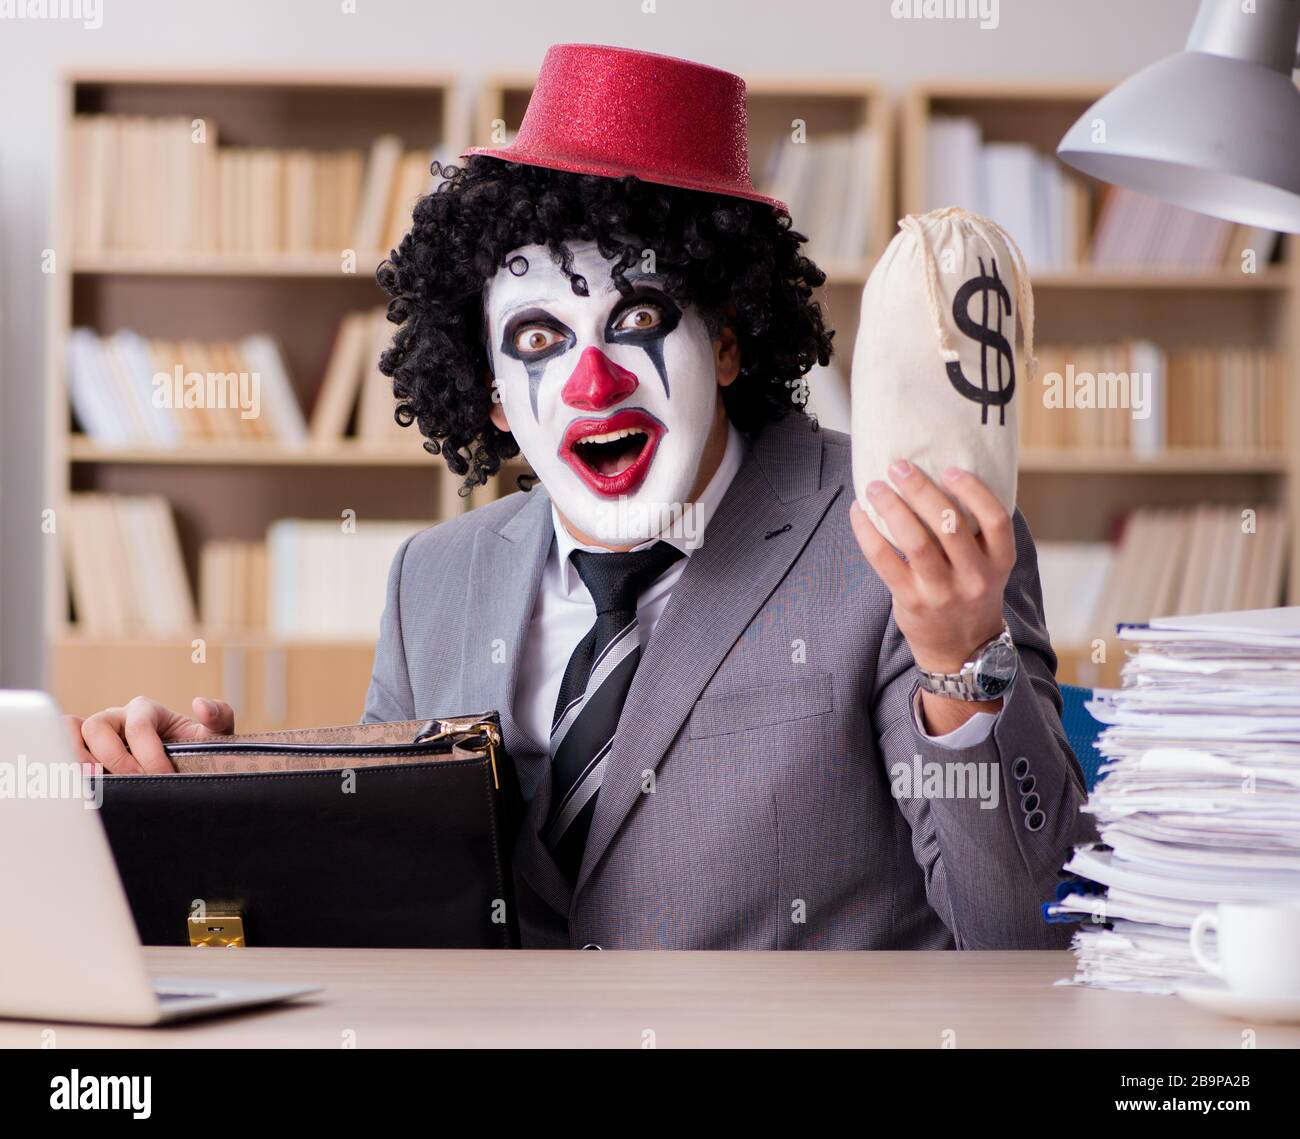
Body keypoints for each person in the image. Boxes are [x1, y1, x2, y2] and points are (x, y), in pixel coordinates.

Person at [68, 43, 1090, 950]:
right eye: (538, 339)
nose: (590, 382)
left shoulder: (899, 544)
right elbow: (386, 916)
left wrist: (964, 669)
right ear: (494, 396)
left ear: (729, 339)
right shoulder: (434, 579)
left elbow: (1024, 933)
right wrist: (218, 793)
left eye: (638, 313)